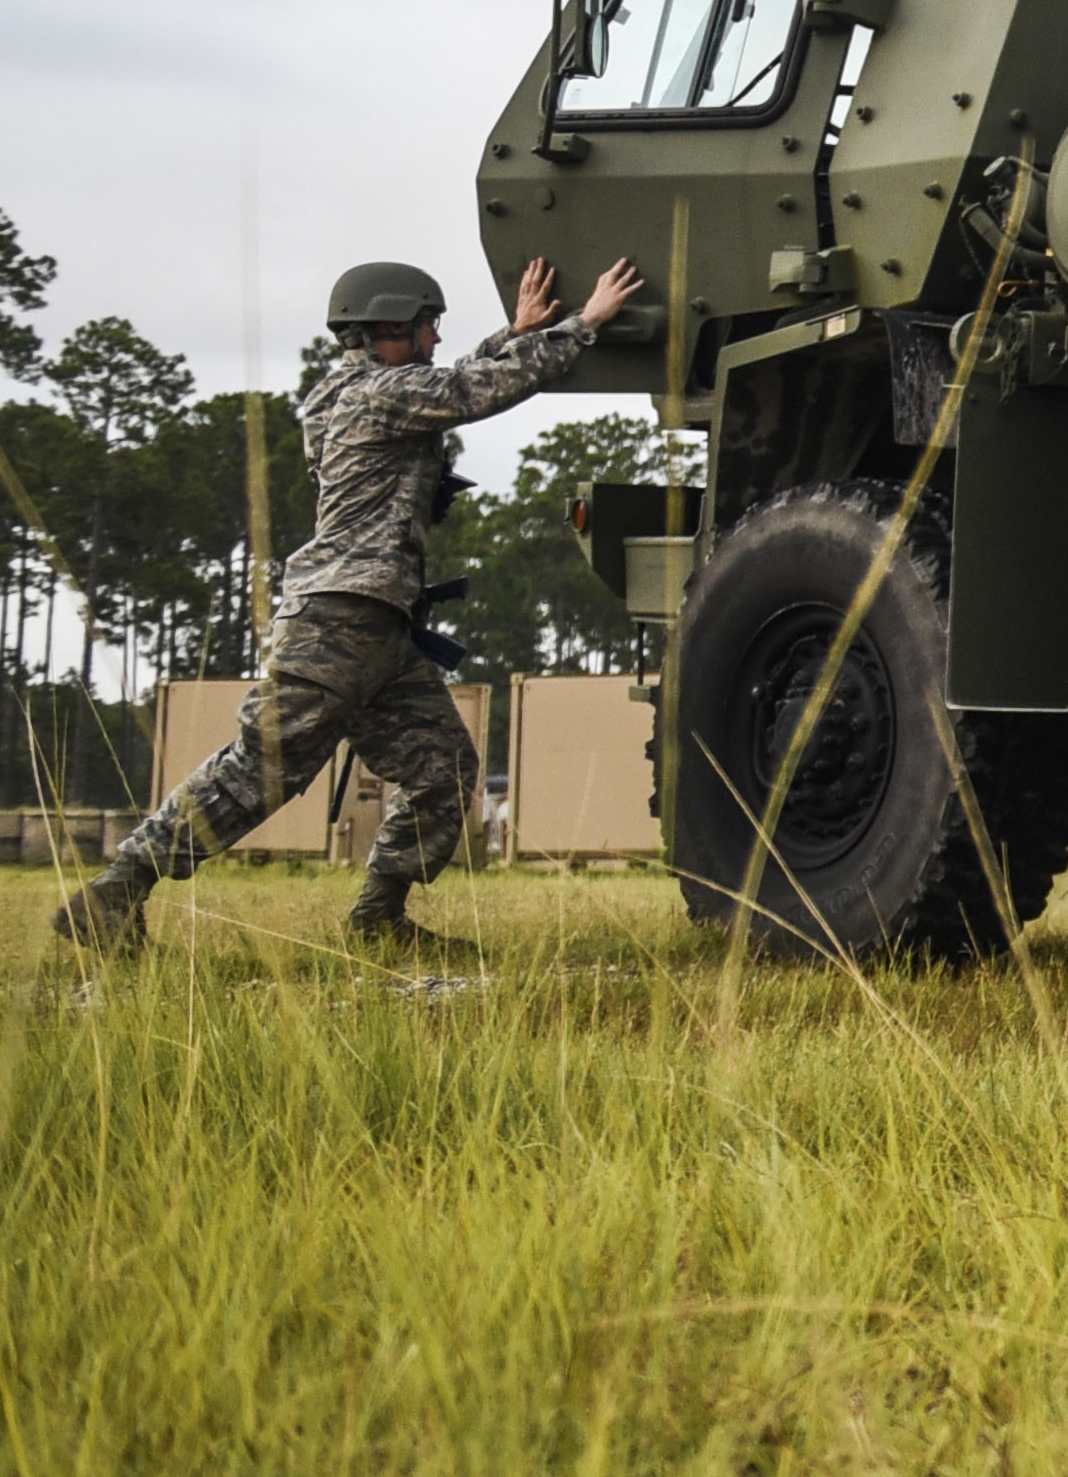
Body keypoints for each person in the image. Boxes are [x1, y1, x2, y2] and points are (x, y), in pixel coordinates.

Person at [56, 253, 640, 957]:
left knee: (443, 769)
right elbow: (468, 390)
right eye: (427, 325)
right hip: (339, 623)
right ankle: (115, 892)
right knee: (263, 768)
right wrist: (584, 324)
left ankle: (378, 920)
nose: (435, 338)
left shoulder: (349, 393)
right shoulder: (374, 396)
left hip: (377, 627)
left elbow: (446, 382)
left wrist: (513, 334)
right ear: (389, 325)